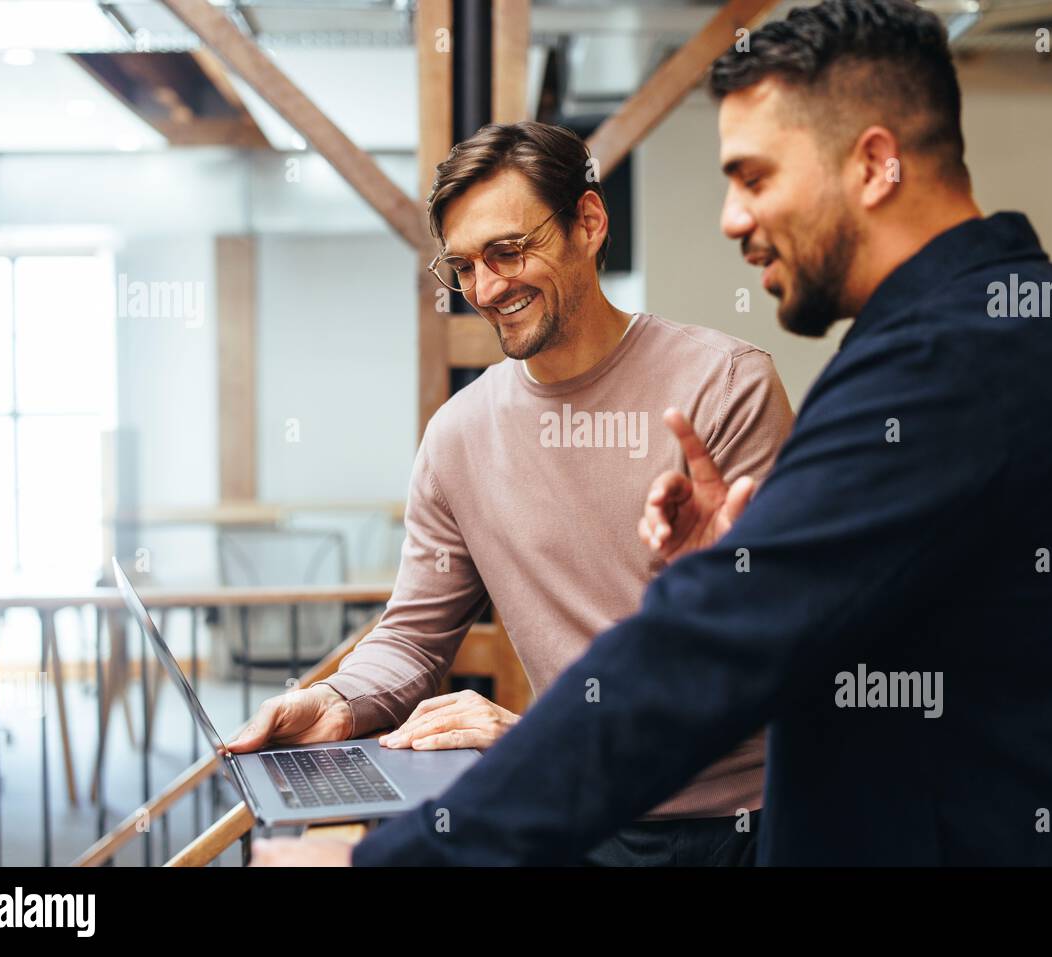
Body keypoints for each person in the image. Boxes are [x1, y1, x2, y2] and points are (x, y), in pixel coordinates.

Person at [253, 0, 1052, 867]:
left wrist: (377, 864)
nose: (731, 218)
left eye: (753, 177)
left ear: (874, 163)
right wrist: (735, 570)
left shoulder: (946, 367)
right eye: (466, 265)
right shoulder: (1013, 321)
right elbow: (846, 633)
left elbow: (709, 658)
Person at [229, 120, 794, 866]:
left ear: (588, 223)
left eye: (508, 250)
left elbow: (771, 649)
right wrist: (337, 700)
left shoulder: (726, 385)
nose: (487, 289)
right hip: (578, 810)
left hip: (743, 821)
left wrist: (535, 739)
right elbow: (413, 634)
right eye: (462, 266)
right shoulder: (459, 433)